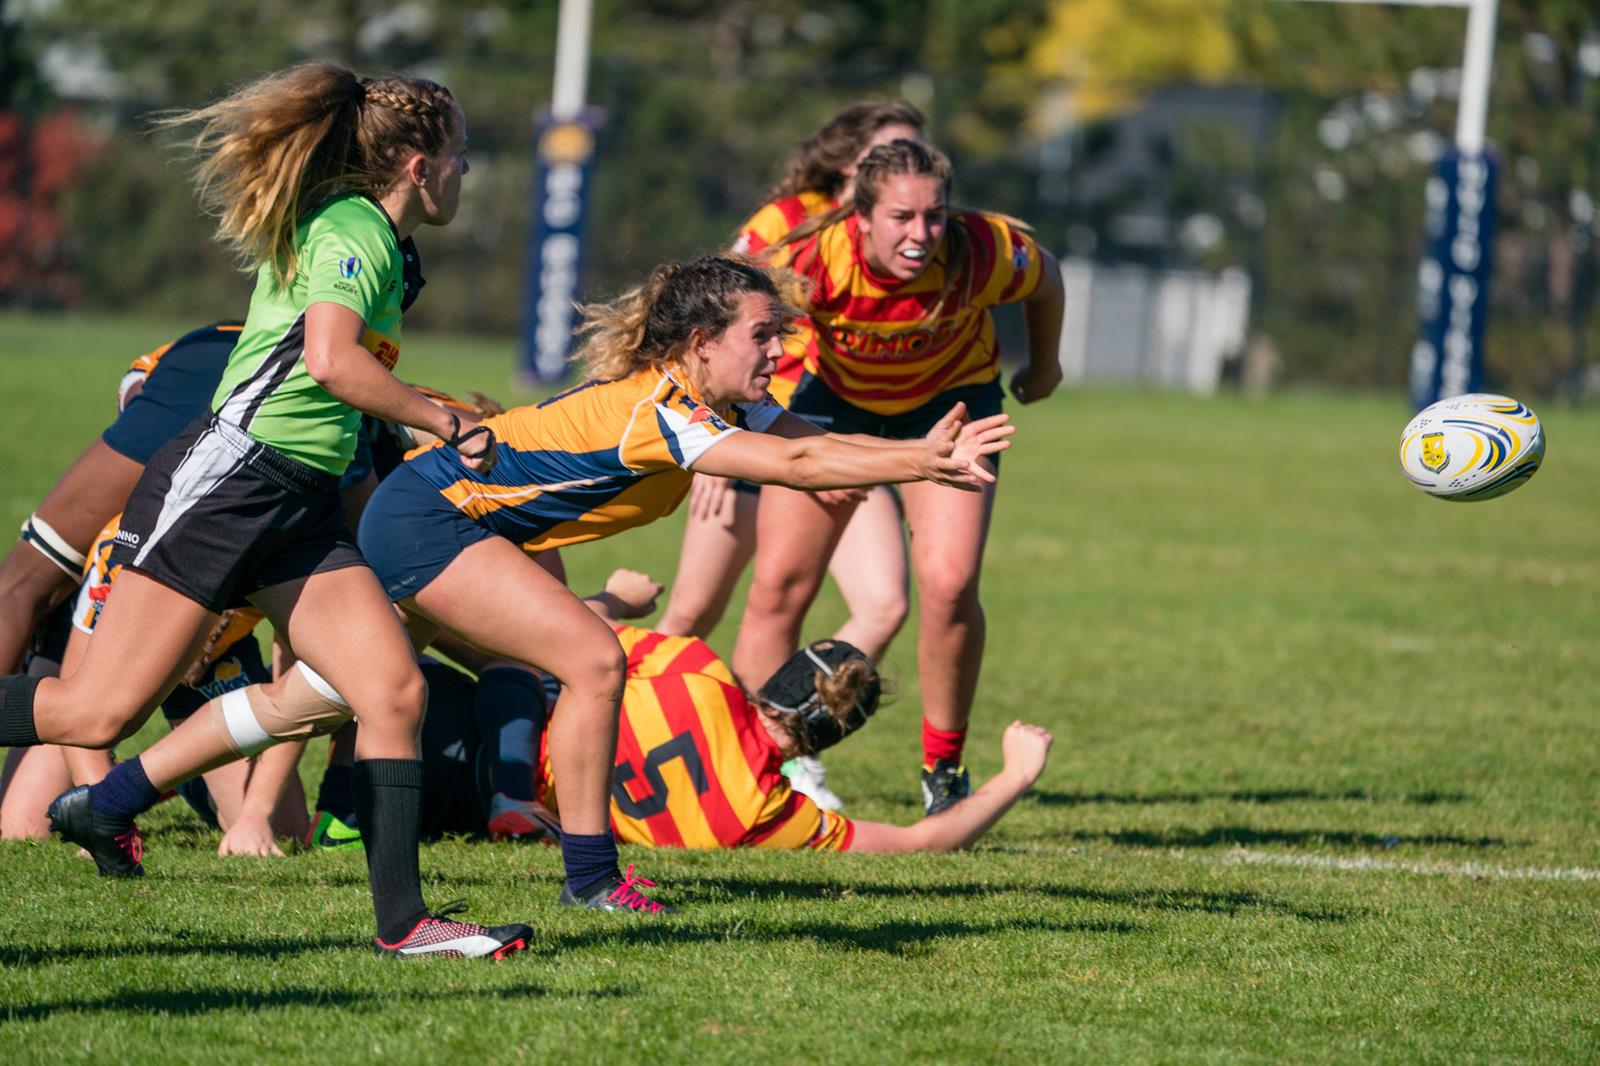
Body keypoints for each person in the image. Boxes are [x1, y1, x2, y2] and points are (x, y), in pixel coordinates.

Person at [0, 62, 532, 959]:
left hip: (300, 502)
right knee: (93, 716)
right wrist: (445, 421)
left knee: (391, 689)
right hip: (230, 485)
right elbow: (329, 360)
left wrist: (411, 430)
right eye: (460, 153)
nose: (466, 170)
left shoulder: (386, 245)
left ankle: (406, 926)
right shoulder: (354, 230)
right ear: (418, 166)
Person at [354, 253, 1014, 913]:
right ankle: (591, 880)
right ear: (702, 344)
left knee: (335, 691)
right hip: (432, 519)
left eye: (780, 334)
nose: (778, 351)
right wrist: (920, 461)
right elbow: (799, 463)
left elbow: (813, 441)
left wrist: (925, 453)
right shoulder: (666, 412)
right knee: (594, 661)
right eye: (761, 335)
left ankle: (292, 798)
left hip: (446, 518)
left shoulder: (720, 402)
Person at [731, 139, 1067, 817]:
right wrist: (775, 431)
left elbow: (1047, 275)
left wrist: (1046, 363)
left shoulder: (981, 250)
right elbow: (743, 326)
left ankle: (944, 769)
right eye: (902, 218)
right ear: (861, 217)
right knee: (779, 585)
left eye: (934, 216)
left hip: (953, 405)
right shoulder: (815, 259)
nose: (922, 234)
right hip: (835, 407)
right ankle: (763, 764)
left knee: (949, 583)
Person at [659, 100, 926, 812]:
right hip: (751, 435)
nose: (900, 170)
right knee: (691, 614)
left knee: (884, 603)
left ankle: (785, 748)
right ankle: (628, 740)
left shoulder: (908, 242)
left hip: (828, 439)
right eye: (884, 155)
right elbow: (714, 321)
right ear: (847, 161)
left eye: (913, 155)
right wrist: (718, 441)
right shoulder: (789, 223)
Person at [412, 569, 1054, 853]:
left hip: (464, 722)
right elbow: (921, 841)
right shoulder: (765, 813)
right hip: (449, 807)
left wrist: (617, 599)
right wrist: (1016, 774)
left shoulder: (698, 672)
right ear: (825, 741)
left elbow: (553, 631)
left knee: (499, 657)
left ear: (781, 676)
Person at [0, 322, 243, 676]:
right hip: (293, 406)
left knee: (21, 584)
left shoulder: (180, 361)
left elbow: (144, 406)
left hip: (206, 370)